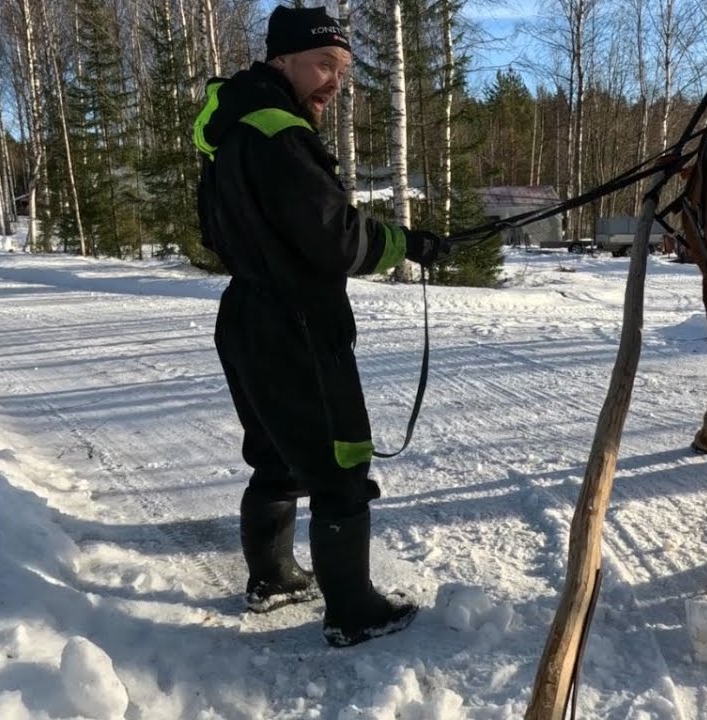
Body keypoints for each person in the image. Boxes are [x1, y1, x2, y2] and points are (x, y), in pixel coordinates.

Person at [192, 6, 452, 647]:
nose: (334, 81)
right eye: (324, 65)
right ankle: (353, 611)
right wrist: (407, 244)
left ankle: (274, 578)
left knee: (275, 455)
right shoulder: (281, 133)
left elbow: (216, 232)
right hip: (298, 325)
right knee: (341, 464)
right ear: (282, 60)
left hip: (246, 313)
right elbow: (337, 239)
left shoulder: (234, 128)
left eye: (342, 69)